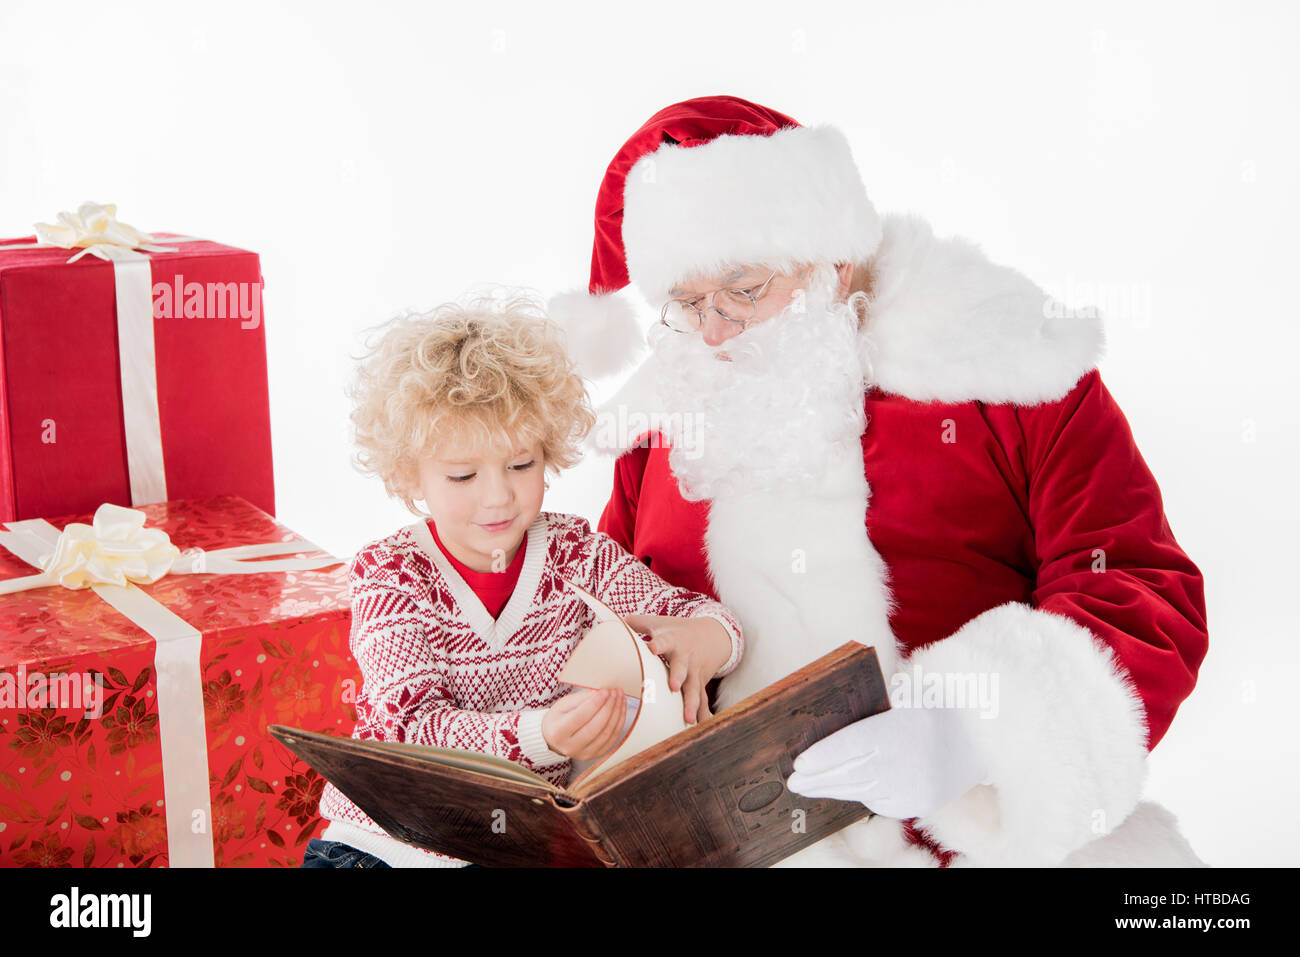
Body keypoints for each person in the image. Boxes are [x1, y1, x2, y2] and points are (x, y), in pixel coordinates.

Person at [549, 95, 1209, 867]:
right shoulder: (661, 432)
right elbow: (608, 616)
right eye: (689, 304)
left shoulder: (1007, 370)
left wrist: (971, 733)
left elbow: (1141, 586)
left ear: (834, 261)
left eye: (744, 287)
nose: (717, 331)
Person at [304, 294, 743, 867]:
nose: (498, 497)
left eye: (521, 465)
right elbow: (411, 730)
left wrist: (707, 637)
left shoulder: (574, 552)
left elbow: (688, 612)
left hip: (515, 848)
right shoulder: (390, 574)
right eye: (462, 474)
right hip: (385, 846)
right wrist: (544, 737)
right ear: (412, 473)